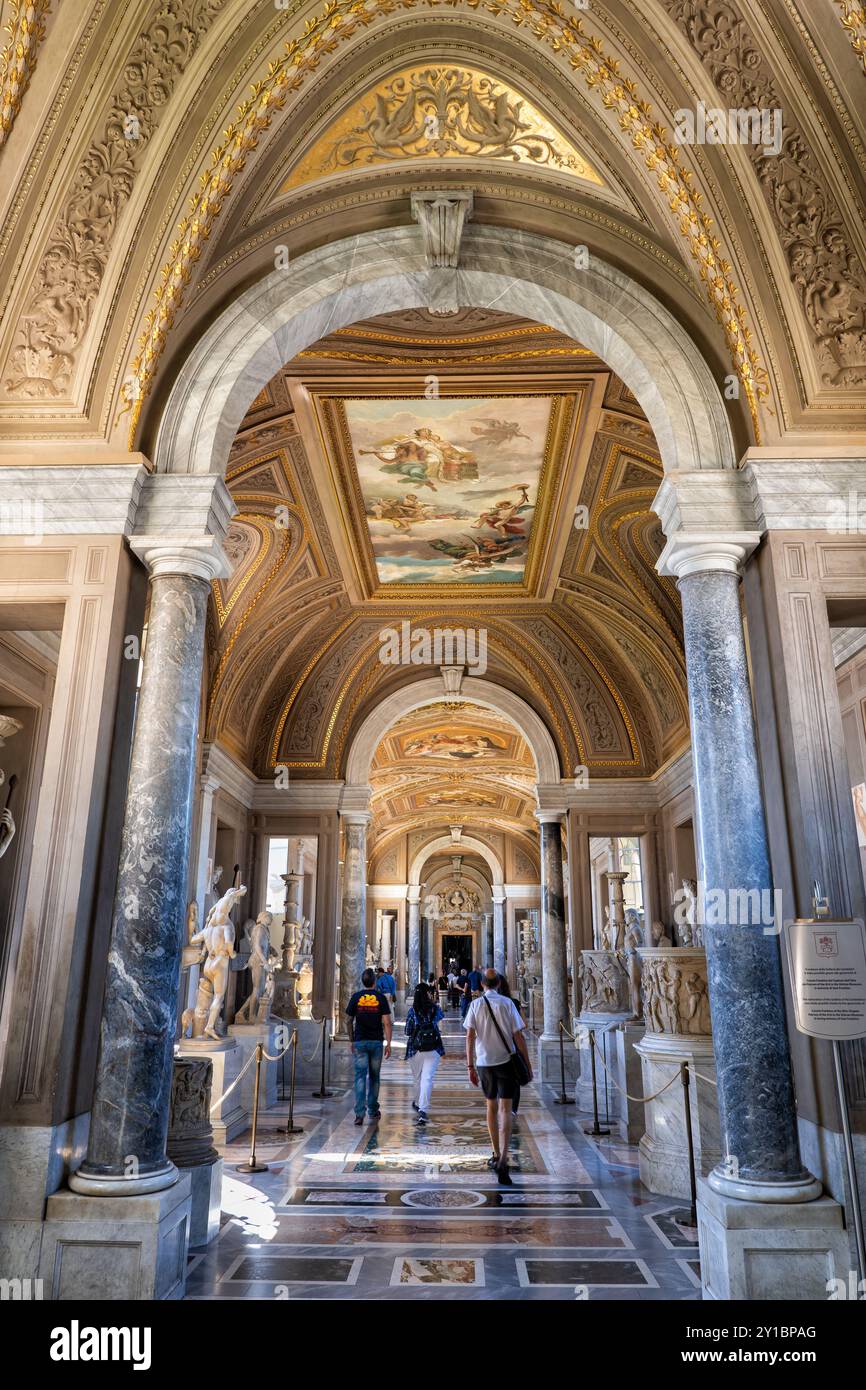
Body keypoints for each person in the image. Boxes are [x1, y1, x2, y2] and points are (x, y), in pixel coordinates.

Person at [464, 968, 533, 1185]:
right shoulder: (507, 1004)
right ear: (498, 984)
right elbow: (518, 1036)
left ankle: (495, 1154)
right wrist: (528, 1064)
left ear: (482, 984)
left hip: (485, 1063)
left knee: (491, 1108)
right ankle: (504, 1157)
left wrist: (470, 1066)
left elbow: (469, 1037)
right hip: (506, 1062)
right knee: (506, 1109)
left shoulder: (475, 1005)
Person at [346, 967, 393, 1125]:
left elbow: (348, 1020)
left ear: (363, 981)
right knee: (374, 1077)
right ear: (374, 981)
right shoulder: (380, 998)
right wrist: (388, 1043)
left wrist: (351, 1039)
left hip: (360, 1041)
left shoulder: (356, 997)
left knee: (360, 1077)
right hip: (376, 1042)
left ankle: (359, 1114)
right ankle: (372, 1109)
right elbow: (387, 1023)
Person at [404, 983, 445, 1125]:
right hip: (433, 1047)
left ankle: (417, 1102)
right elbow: (441, 1016)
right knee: (427, 1079)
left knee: (418, 1078)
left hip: (416, 1049)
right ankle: (423, 1109)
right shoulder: (435, 1009)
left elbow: (407, 1031)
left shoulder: (412, 1011)